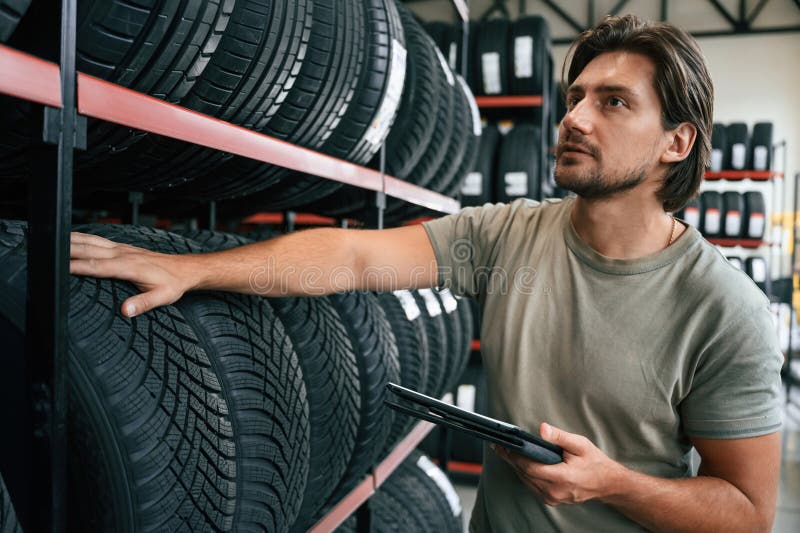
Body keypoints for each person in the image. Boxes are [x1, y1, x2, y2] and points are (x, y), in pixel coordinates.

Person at [69, 14, 783, 533]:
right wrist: (191, 268)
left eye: (613, 101)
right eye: (576, 97)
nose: (576, 118)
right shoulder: (509, 234)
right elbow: (351, 255)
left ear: (676, 142)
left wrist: (613, 482)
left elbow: (748, 513)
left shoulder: (723, 309)